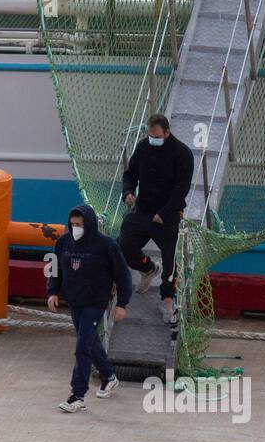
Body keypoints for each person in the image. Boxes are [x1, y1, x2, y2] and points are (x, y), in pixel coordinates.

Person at [46, 203, 133, 414]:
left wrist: (122, 304)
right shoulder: (64, 242)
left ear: (89, 224)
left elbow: (123, 275)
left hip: (95, 303)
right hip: (74, 301)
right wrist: (52, 292)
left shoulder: (106, 246)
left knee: (82, 346)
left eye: (79, 224)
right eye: (72, 224)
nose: (75, 228)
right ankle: (109, 376)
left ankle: (78, 395)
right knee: (91, 340)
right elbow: (55, 268)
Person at [119, 114, 194, 323]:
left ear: (167, 133)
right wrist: (127, 192)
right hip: (142, 210)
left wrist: (165, 213)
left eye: (157, 136)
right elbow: (130, 174)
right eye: (150, 135)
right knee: (123, 246)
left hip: (167, 215)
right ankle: (148, 268)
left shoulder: (183, 154)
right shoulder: (144, 147)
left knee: (171, 259)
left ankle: (167, 299)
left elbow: (182, 188)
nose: (153, 139)